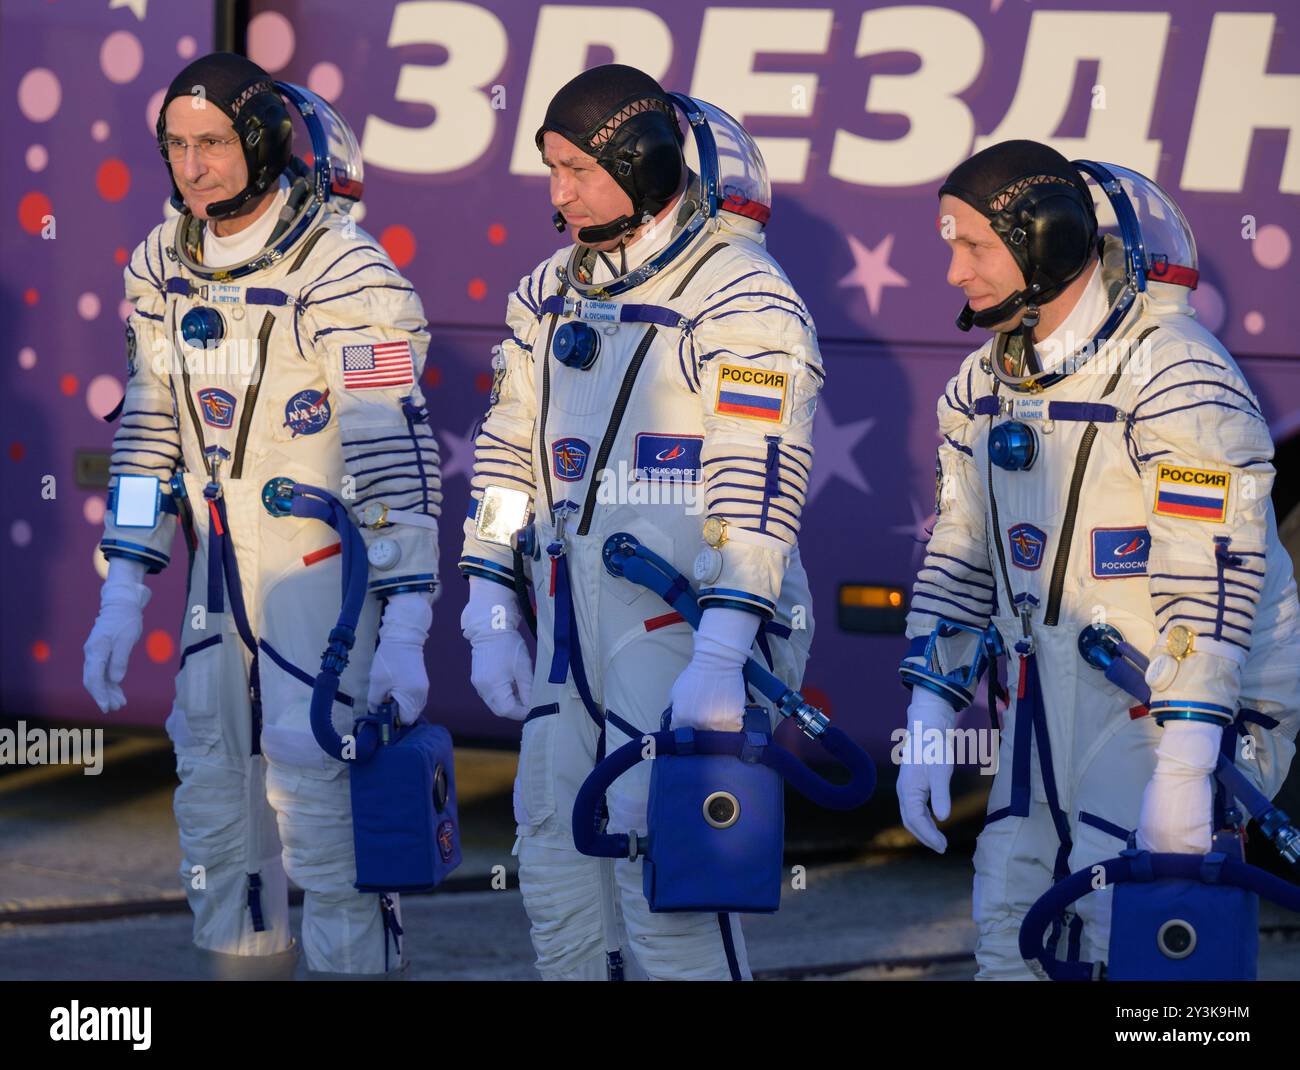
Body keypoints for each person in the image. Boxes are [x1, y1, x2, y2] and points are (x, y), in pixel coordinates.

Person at [895, 139, 1299, 979]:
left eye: (973, 247)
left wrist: (1189, 767)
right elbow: (962, 558)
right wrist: (931, 709)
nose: (954, 272)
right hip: (1047, 708)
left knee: (1137, 947)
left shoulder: (1177, 377)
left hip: (1175, 706)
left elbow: (1209, 583)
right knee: (1011, 921)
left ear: (1042, 240)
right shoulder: (981, 388)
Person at [458, 64, 823, 980]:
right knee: (556, 880)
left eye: (581, 168)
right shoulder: (548, 294)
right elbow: (506, 459)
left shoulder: (742, 297)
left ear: (645, 162)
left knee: (674, 904)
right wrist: (489, 600)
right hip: (570, 639)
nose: (560, 193)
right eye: (550, 168)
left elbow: (757, 494)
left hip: (686, 633)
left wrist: (722, 653)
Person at [81, 53, 442, 979]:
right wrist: (125, 584)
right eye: (175, 147)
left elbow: (394, 465)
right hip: (218, 577)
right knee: (216, 808)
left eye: (211, 144)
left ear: (260, 144)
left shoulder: (348, 273)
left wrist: (406, 627)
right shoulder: (161, 264)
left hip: (320, 575)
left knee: (324, 811)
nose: (192, 167)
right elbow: (149, 430)